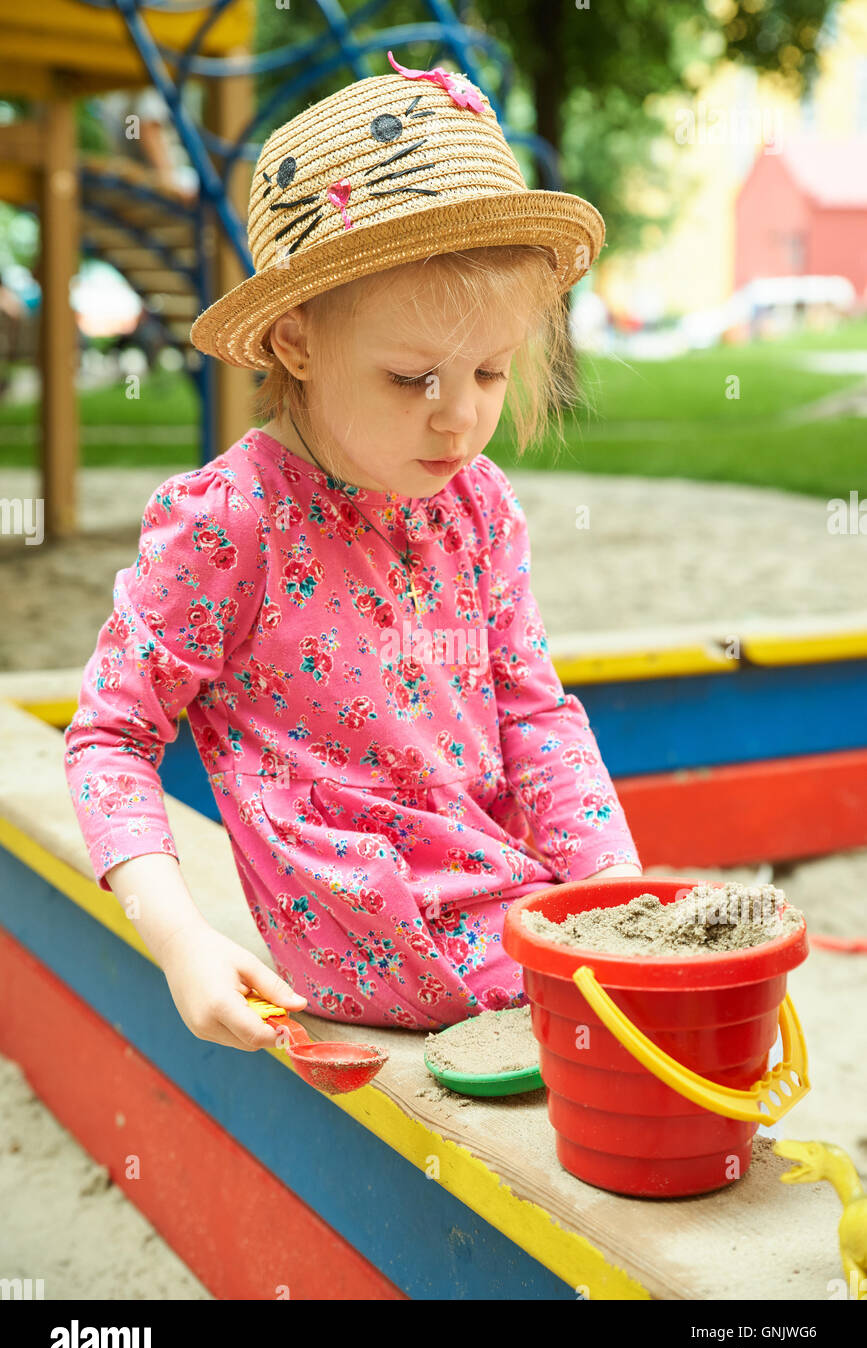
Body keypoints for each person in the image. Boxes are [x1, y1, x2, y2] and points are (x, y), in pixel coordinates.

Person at [63, 52, 643, 1053]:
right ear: (295, 342)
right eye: (413, 376)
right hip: (371, 926)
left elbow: (533, 708)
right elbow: (110, 735)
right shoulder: (232, 522)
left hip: (500, 891)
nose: (459, 416)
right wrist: (182, 940)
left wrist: (617, 892)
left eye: (491, 371)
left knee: (692, 983)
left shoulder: (478, 506)